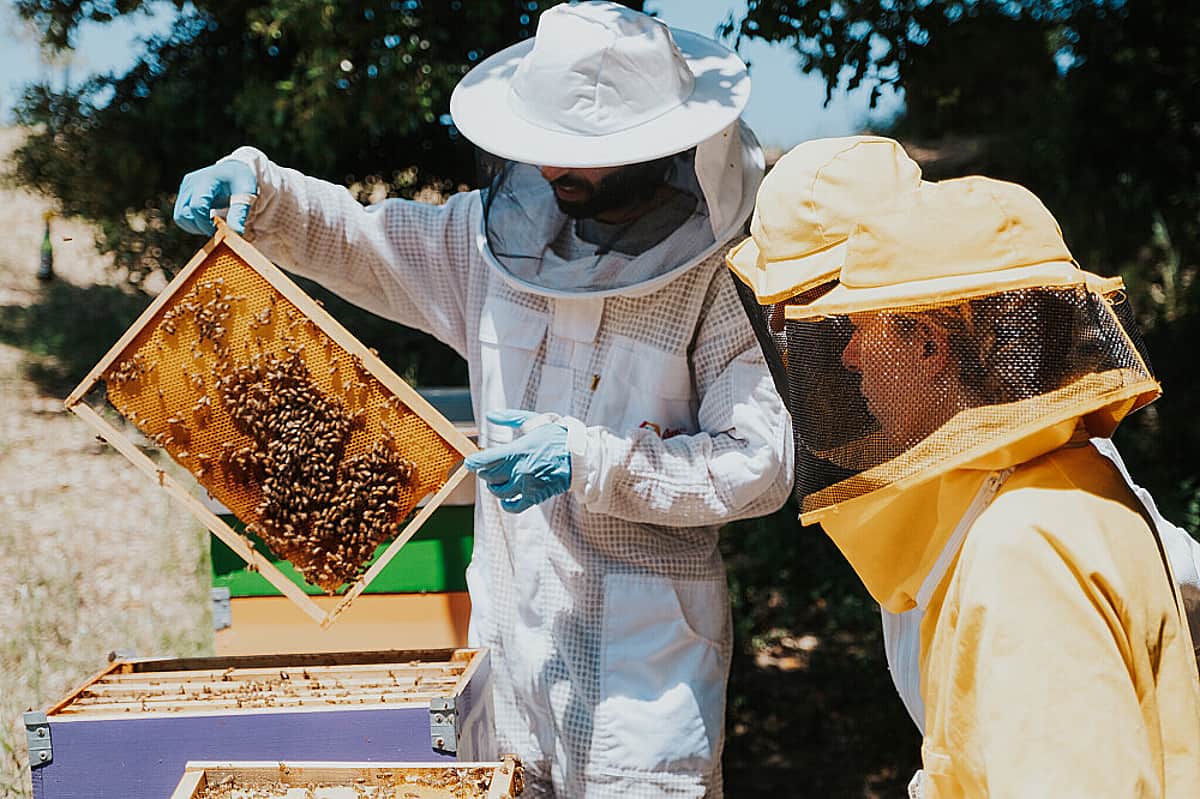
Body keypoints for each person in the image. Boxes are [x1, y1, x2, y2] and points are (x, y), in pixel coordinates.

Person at [172, 2, 793, 796]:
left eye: (583, 155)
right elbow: (364, 242)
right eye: (545, 147)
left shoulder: (718, 275)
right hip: (508, 674)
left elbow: (760, 462)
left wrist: (588, 459)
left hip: (647, 690)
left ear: (658, 147)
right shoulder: (494, 242)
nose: (553, 171)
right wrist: (266, 195)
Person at [728, 136, 1200, 738]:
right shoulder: (906, 446)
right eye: (781, 312)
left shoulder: (1034, 505)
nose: (817, 343)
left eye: (813, 306)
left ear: (923, 326)